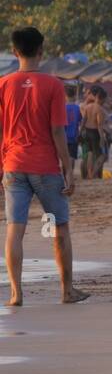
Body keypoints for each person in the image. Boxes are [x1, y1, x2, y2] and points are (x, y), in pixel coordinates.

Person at [0, 27, 88, 305]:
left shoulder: (3, 85)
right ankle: (67, 291)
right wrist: (68, 168)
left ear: (15, 52)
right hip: (46, 167)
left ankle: (16, 294)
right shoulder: (53, 86)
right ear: (41, 51)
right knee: (60, 226)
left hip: (13, 165)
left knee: (15, 229)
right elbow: (58, 131)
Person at [80, 85, 106, 180]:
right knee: (102, 156)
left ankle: (89, 173)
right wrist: (102, 138)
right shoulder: (100, 109)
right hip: (95, 133)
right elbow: (99, 125)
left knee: (90, 153)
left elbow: (83, 121)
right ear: (102, 99)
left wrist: (80, 131)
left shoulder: (87, 107)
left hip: (87, 131)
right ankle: (92, 174)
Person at [64, 84, 82, 175]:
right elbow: (79, 121)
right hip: (74, 136)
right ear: (74, 96)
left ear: (65, 96)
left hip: (63, 136)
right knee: (72, 156)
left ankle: (65, 173)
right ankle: (70, 173)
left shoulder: (62, 108)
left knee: (64, 156)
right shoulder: (77, 108)